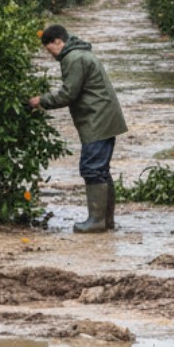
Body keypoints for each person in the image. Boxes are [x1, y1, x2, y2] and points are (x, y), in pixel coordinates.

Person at [29, 24, 127, 233]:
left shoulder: (72, 58)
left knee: (92, 168)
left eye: (49, 50)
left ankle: (96, 221)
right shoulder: (80, 53)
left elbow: (68, 94)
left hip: (97, 119)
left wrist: (41, 101)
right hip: (103, 118)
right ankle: (105, 220)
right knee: (100, 170)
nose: (51, 55)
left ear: (58, 42)